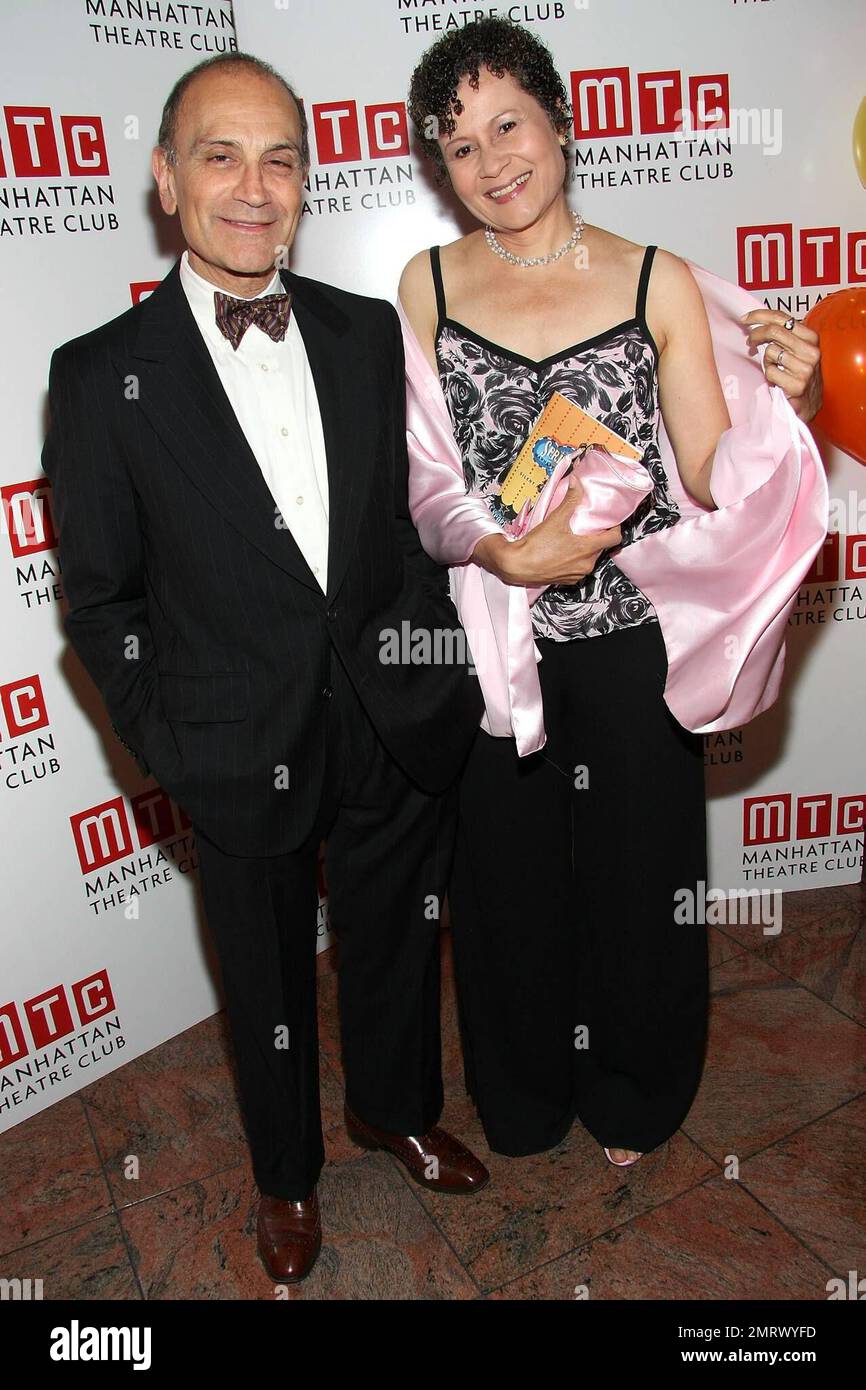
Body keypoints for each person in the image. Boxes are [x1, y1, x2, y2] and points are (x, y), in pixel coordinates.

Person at [41, 51, 489, 1285]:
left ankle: (392, 1108)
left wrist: (429, 666)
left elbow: (403, 528)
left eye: (279, 158)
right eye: (220, 155)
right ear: (166, 180)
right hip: (232, 739)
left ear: (306, 180)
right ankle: (285, 1175)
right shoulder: (99, 377)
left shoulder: (361, 332)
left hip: (393, 716)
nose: (253, 187)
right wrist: (171, 739)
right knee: (265, 975)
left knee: (400, 937)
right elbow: (100, 597)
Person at [398, 18, 823, 1167]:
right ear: (441, 170)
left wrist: (787, 406)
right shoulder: (425, 285)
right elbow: (428, 480)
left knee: (642, 884)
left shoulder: (653, 278)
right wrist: (497, 554)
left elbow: (703, 472)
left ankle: (635, 1092)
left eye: (507, 125)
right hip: (494, 641)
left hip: (631, 641)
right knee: (502, 888)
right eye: (459, 144)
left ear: (559, 123)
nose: (490, 162)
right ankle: (523, 1097)